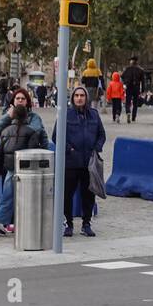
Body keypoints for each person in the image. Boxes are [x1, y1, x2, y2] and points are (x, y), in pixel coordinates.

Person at [0, 88, 49, 237]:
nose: (20, 101)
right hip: (9, 163)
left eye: (23, 99)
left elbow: (35, 132)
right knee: (9, 194)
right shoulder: (7, 116)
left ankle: (4, 222)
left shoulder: (34, 117)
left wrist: (17, 121)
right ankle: (5, 222)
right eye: (17, 98)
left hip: (28, 163)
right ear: (13, 101)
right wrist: (8, 116)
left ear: (27, 102)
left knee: (19, 194)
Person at [63, 85, 105, 237]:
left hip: (89, 163)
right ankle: (68, 224)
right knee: (67, 195)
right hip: (71, 162)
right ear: (72, 98)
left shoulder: (94, 114)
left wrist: (96, 148)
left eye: (82, 95)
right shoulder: (66, 115)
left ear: (86, 98)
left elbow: (101, 135)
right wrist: (69, 149)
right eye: (76, 96)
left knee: (88, 195)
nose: (79, 98)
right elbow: (57, 136)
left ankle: (86, 224)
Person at [121, 55, 145, 123]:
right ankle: (133, 117)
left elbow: (122, 76)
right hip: (136, 87)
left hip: (129, 87)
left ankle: (128, 112)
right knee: (135, 103)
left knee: (128, 101)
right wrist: (143, 90)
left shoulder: (127, 69)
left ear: (131, 61)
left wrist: (125, 82)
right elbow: (143, 81)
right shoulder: (141, 70)